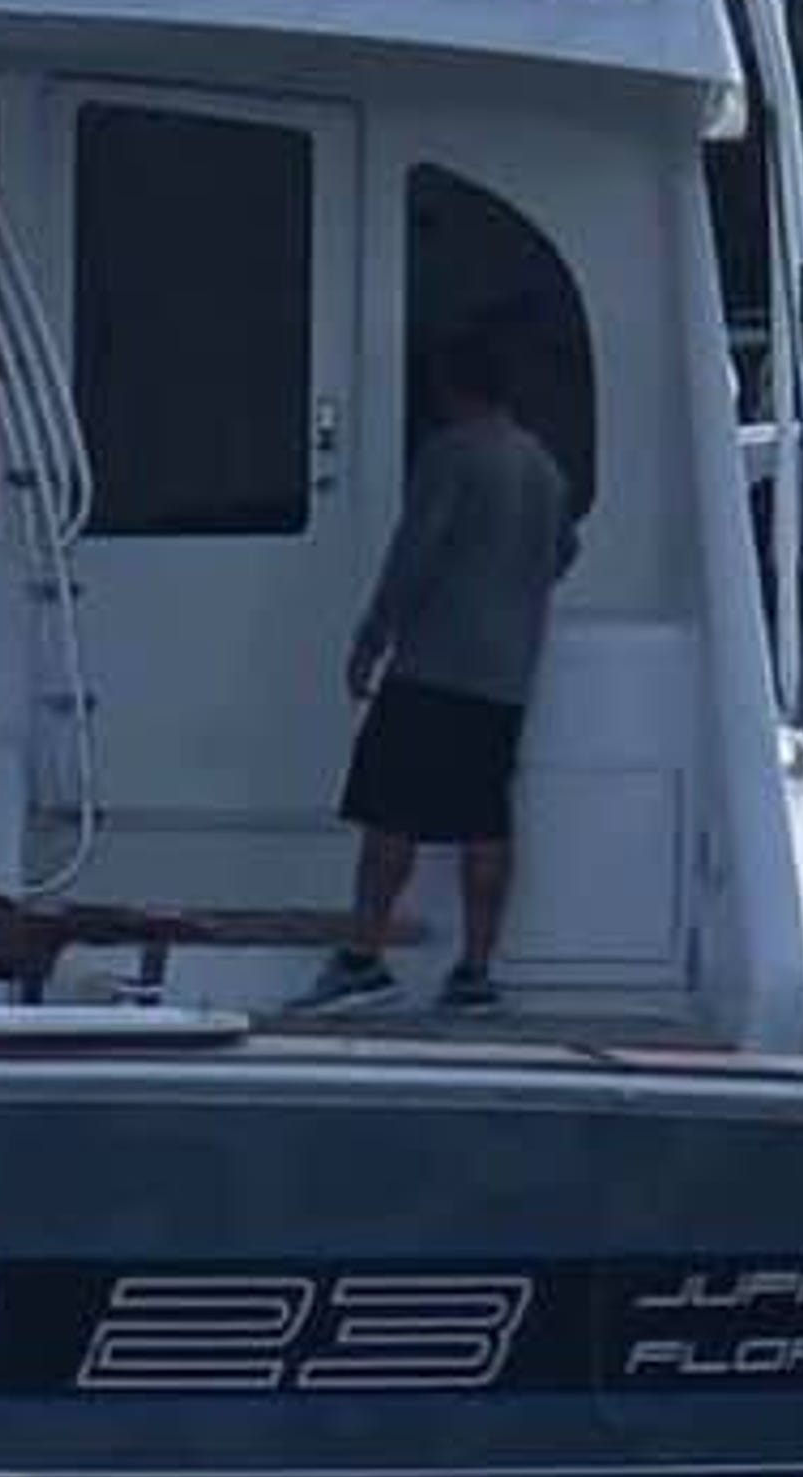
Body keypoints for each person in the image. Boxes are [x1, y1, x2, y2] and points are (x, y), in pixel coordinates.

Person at [294, 336, 578, 1015]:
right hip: (507, 673)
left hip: (435, 663)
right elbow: (564, 550)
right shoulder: (544, 467)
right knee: (486, 820)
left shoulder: (453, 454)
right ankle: (474, 972)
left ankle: (363, 959)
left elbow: (415, 552)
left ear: (453, 385)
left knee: (390, 812)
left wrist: (372, 636)